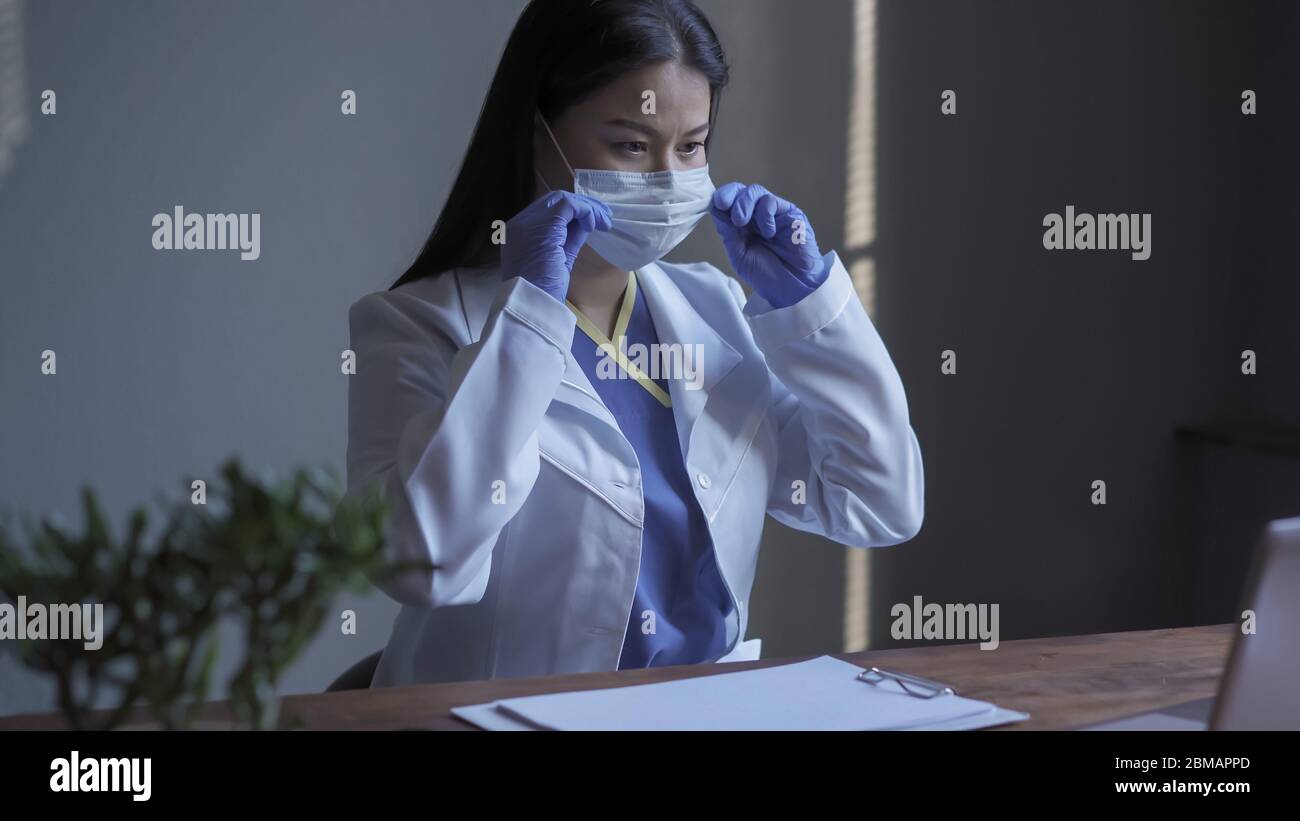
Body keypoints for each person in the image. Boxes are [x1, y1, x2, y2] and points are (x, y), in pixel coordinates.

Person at [346, 0, 924, 688]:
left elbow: (879, 501)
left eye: (690, 146)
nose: (666, 178)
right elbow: (422, 562)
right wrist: (527, 322)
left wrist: (812, 311)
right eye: (629, 145)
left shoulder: (714, 308)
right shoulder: (419, 324)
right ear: (537, 136)